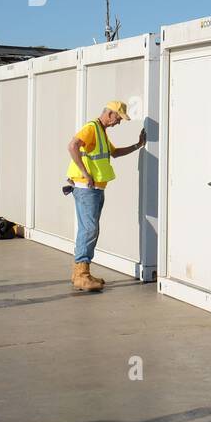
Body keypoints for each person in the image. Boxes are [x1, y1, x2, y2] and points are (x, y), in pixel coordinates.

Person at [65, 100, 146, 292]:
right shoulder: (91, 128)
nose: (118, 122)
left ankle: (80, 273)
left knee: (88, 228)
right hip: (87, 188)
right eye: (118, 118)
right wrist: (85, 173)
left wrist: (138, 145)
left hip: (94, 189)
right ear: (110, 113)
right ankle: (82, 275)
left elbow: (115, 153)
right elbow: (72, 146)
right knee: (90, 229)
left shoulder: (101, 132)